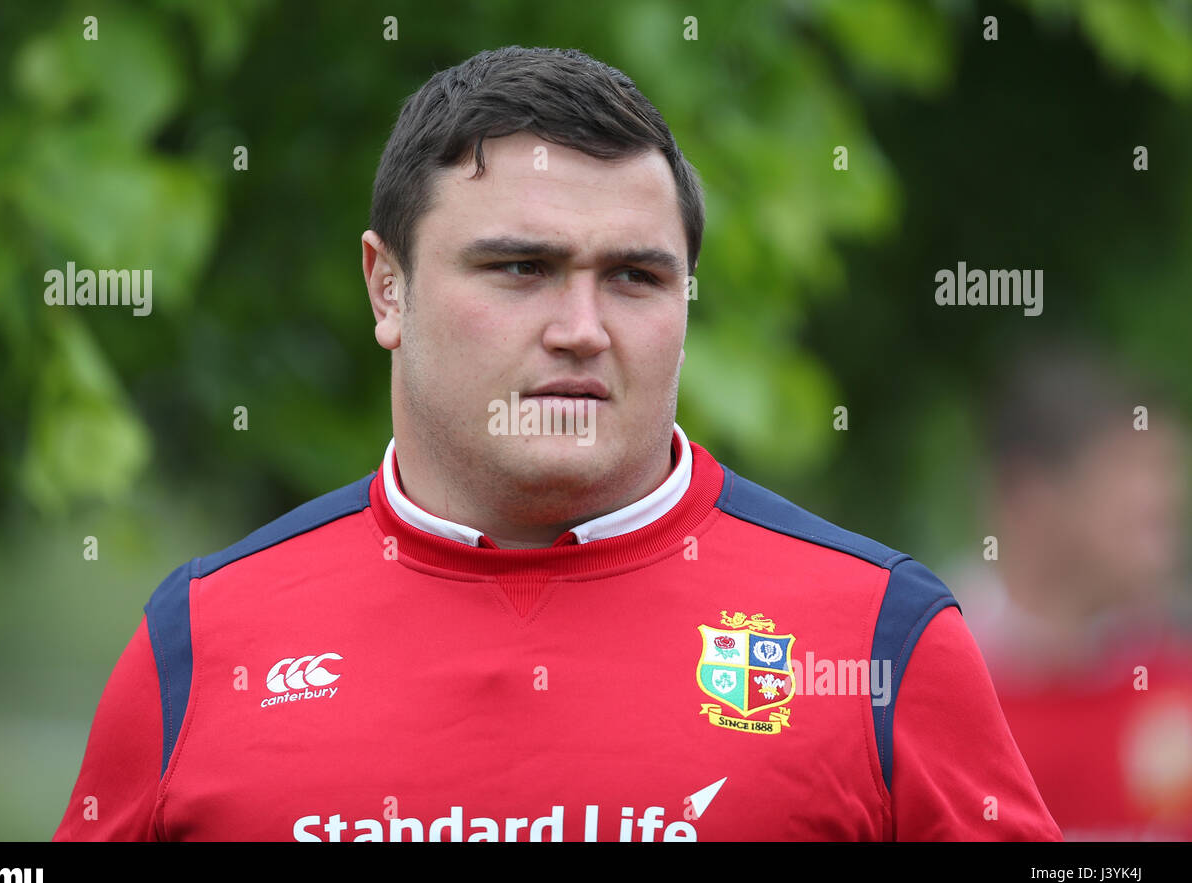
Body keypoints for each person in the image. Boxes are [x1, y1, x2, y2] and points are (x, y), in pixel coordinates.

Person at [53, 45, 1059, 841]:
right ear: (385, 286)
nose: (582, 326)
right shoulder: (202, 641)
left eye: (634, 277)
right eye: (521, 268)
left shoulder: (878, 635)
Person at [951, 346, 1192, 839]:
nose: (1161, 500)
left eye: (1165, 471)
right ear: (1029, 497)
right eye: (1129, 469)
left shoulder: (1174, 670)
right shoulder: (929, 678)